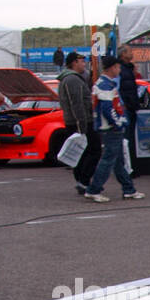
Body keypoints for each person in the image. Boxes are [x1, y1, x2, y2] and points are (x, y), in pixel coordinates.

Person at [83, 56, 143, 202]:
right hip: (110, 128)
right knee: (109, 160)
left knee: (117, 161)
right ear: (112, 68)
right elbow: (107, 109)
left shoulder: (104, 83)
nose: (120, 70)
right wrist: (119, 123)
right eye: (118, 67)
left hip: (108, 127)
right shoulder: (106, 85)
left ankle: (128, 189)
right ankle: (94, 189)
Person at [57, 51, 98, 195]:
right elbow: (77, 104)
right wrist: (81, 126)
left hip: (76, 122)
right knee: (94, 150)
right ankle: (84, 181)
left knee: (81, 153)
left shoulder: (72, 78)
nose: (84, 64)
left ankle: (82, 181)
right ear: (74, 62)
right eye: (82, 61)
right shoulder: (72, 80)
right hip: (81, 122)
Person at [117, 45, 141, 177]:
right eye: (129, 51)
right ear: (123, 54)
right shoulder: (120, 69)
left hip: (131, 106)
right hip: (126, 108)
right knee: (126, 140)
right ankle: (126, 169)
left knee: (129, 139)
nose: (132, 53)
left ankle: (130, 167)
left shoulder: (127, 69)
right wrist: (123, 105)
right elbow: (117, 88)